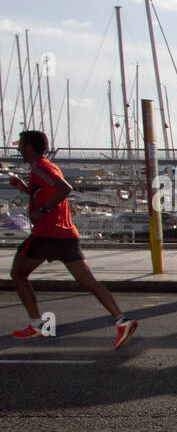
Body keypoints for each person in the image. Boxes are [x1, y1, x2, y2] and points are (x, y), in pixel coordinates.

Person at [9, 130, 137, 347]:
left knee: (18, 273)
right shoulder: (42, 169)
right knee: (88, 282)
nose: (18, 148)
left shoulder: (41, 167)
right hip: (65, 235)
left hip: (47, 234)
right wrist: (23, 187)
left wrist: (43, 209)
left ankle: (37, 324)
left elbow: (64, 188)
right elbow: (47, 191)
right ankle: (122, 321)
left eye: (20, 144)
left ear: (29, 146)